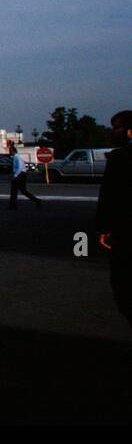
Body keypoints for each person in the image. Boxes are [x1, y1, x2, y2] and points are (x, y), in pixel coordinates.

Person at [96, 109, 132, 327]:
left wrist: (103, 228)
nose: (113, 132)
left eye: (117, 127)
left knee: (124, 289)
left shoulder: (120, 158)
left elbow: (109, 196)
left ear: (129, 132)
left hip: (126, 233)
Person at [7, 140, 41, 209]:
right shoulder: (15, 157)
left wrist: (15, 176)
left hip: (20, 175)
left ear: (13, 151)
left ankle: (37, 200)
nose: (9, 152)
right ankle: (13, 206)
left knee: (21, 191)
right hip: (19, 175)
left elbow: (19, 167)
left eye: (10, 150)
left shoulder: (17, 157)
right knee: (14, 191)